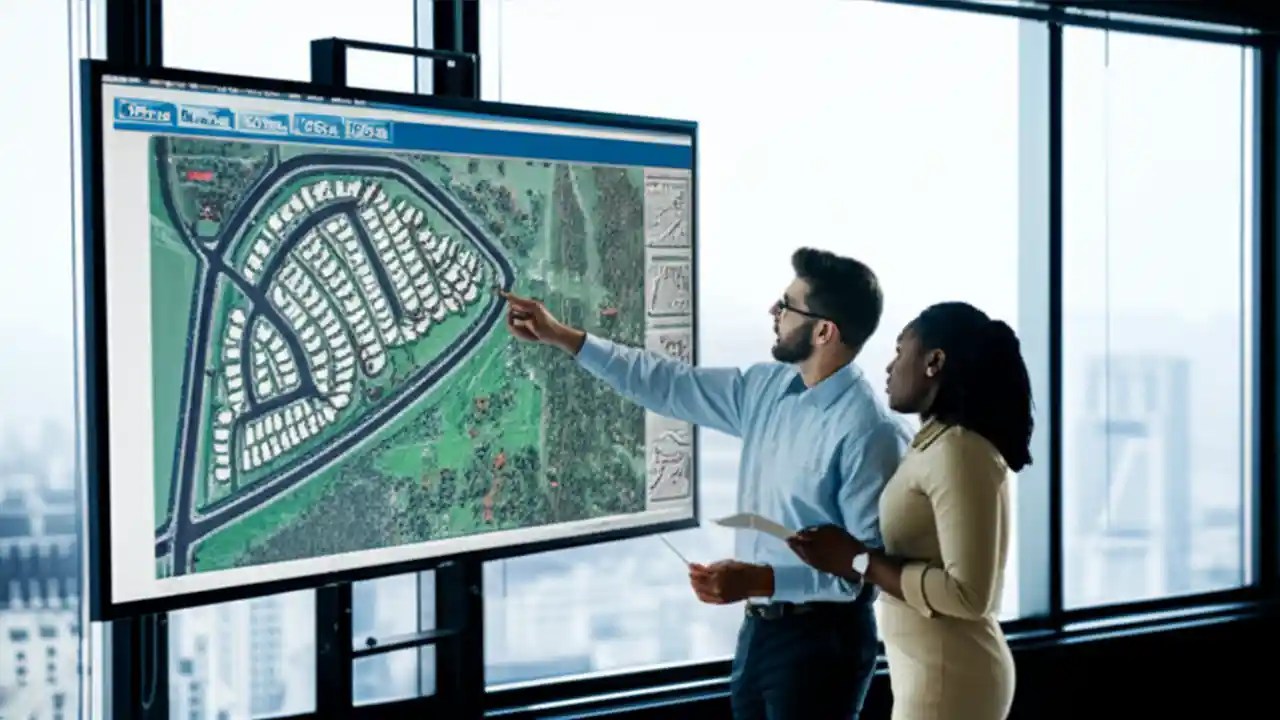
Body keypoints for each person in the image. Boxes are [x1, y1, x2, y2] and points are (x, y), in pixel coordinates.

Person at [501, 247, 910, 720]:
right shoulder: (768, 388)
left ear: (824, 331)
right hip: (759, 628)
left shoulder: (869, 432)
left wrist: (762, 578)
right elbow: (668, 384)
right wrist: (562, 337)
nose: (773, 313)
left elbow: (862, 573)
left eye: (787, 305)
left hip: (824, 644)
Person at [786, 301, 1032, 720]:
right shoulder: (934, 445)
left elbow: (971, 595)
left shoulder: (958, 450)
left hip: (950, 677)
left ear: (934, 362)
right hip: (932, 670)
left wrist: (857, 560)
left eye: (901, 351)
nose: (889, 367)